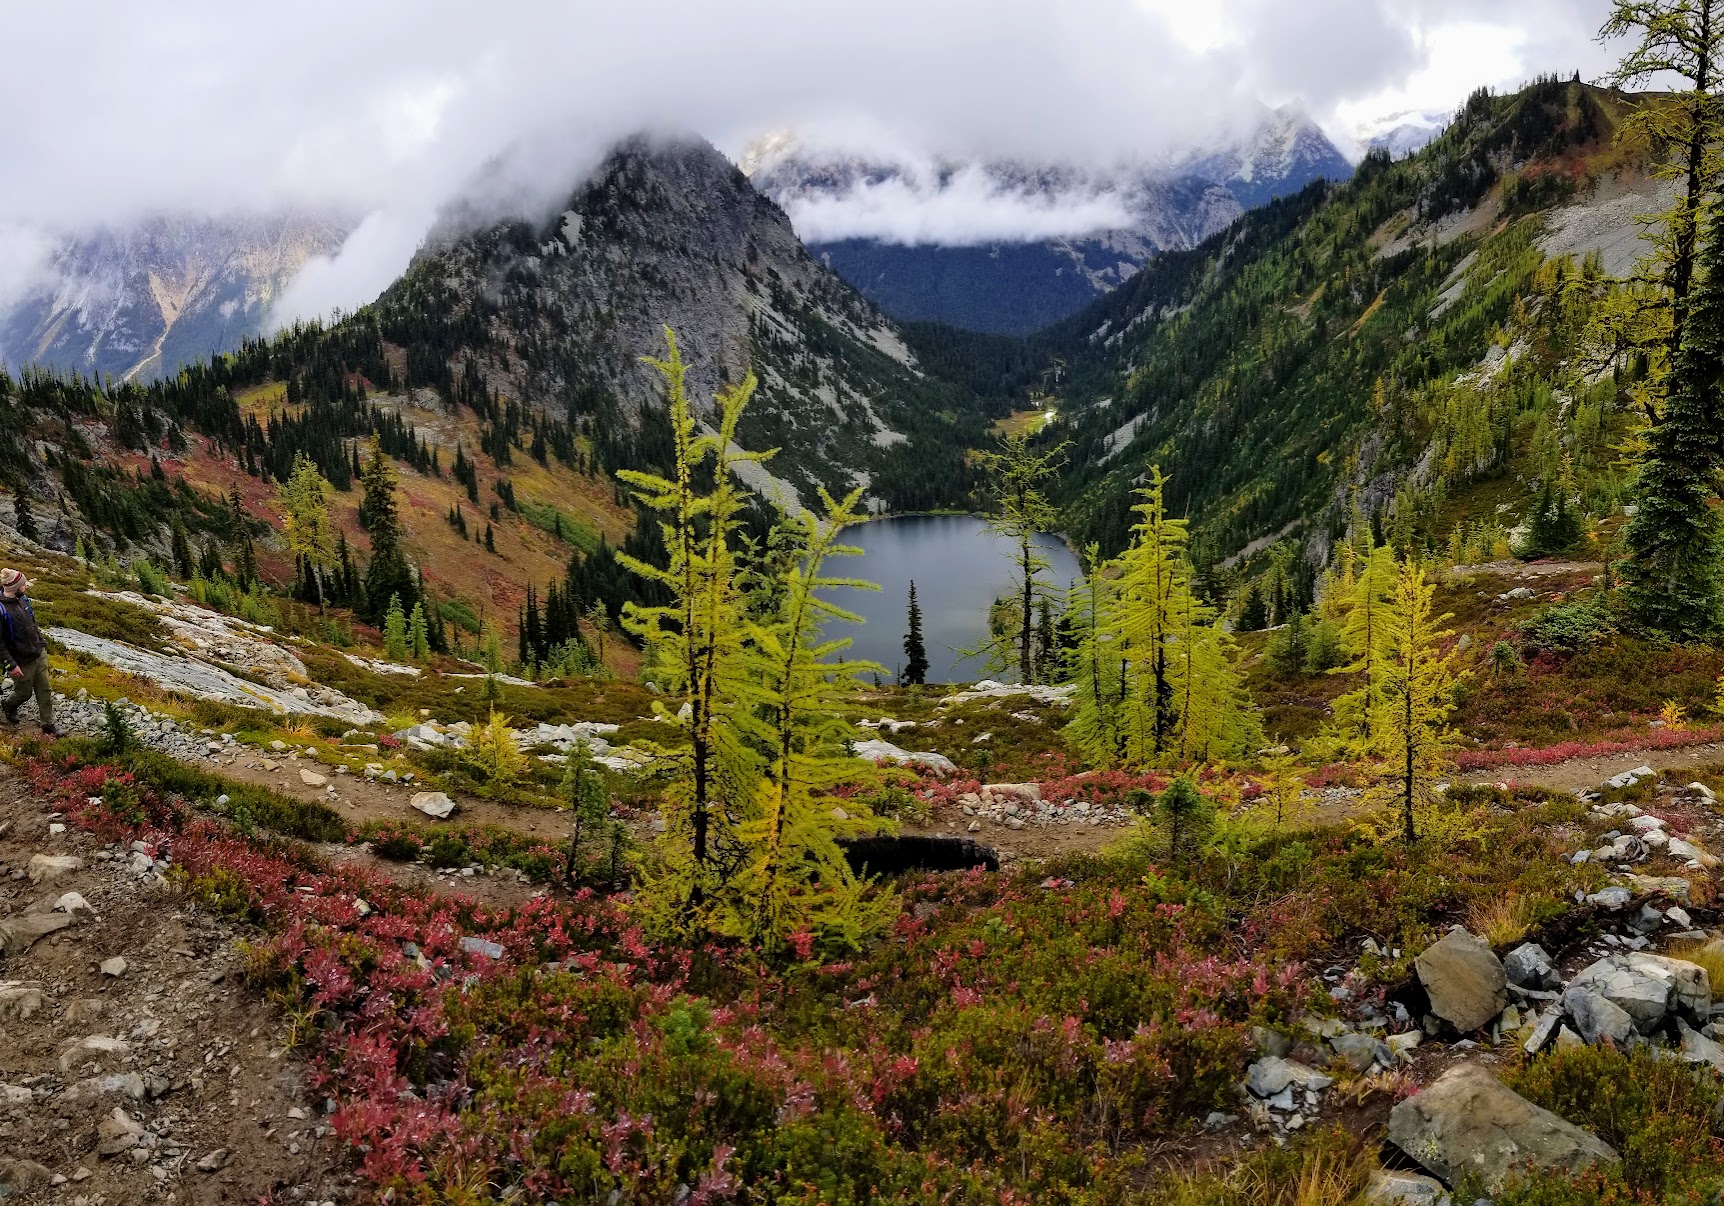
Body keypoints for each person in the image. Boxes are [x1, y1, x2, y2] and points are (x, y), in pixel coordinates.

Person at [0, 568, 56, 735]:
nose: (26, 585)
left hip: (39, 653)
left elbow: (32, 623)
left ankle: (48, 725)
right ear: (14, 586)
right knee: (23, 694)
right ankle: (8, 706)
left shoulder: (23, 599)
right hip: (21, 661)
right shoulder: (2, 610)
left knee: (45, 690)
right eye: (23, 583)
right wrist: (10, 664)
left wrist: (41, 642)